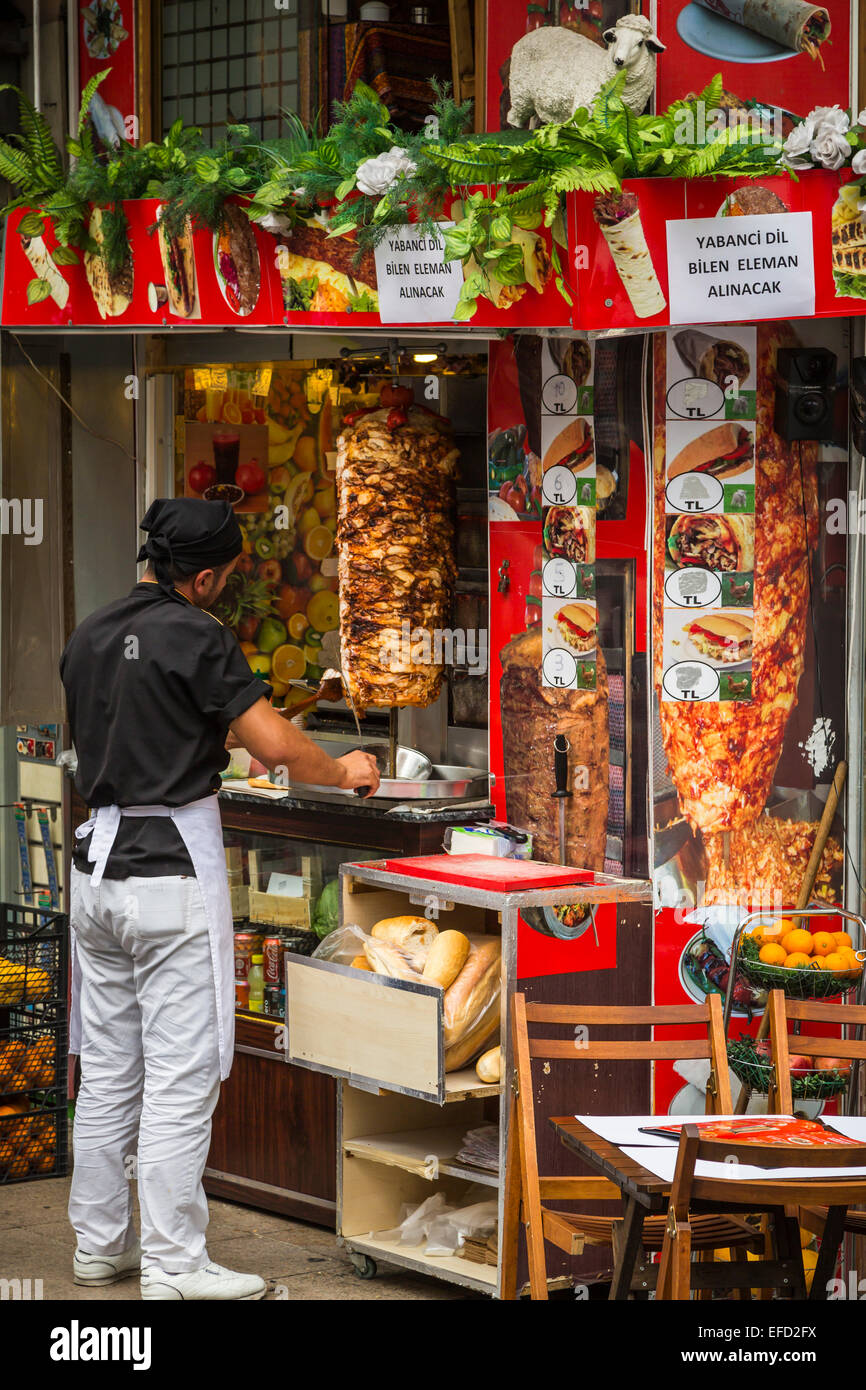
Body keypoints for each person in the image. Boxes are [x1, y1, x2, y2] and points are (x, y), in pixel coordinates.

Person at [60, 498, 379, 1301]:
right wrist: (345, 770)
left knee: (106, 1071)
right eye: (228, 577)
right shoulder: (198, 634)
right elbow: (277, 748)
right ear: (203, 576)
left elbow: (141, 726)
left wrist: (214, 732)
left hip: (97, 876)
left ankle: (99, 1247)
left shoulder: (91, 631)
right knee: (181, 1073)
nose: (227, 591)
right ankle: (174, 1265)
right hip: (167, 877)